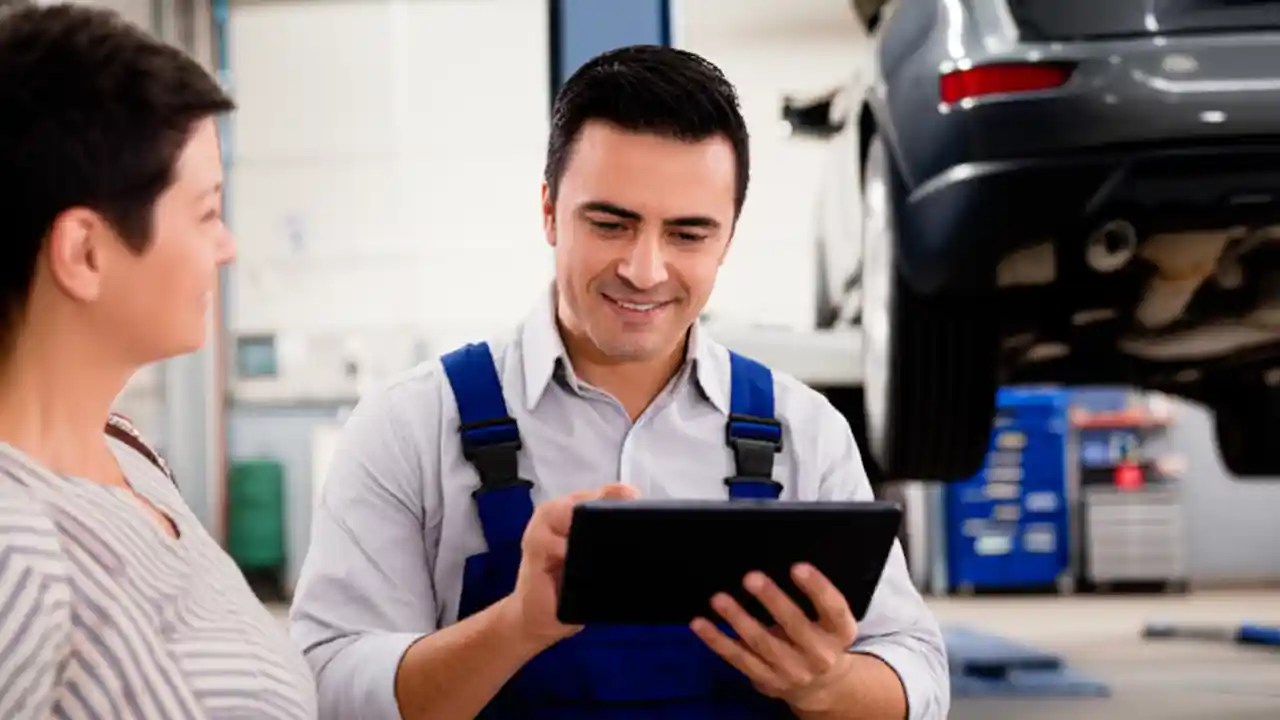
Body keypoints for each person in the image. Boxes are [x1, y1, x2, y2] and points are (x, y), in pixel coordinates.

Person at [289, 45, 949, 720]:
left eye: (688, 234)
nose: (644, 268)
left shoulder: (802, 433)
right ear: (549, 210)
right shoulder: (410, 427)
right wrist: (516, 627)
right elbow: (328, 686)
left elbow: (917, 675)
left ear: (728, 239)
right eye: (611, 224)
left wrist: (824, 685)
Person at [0, 4, 317, 718]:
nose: (227, 246)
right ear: (85, 253)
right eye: (207, 213)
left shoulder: (128, 456)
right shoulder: (13, 548)